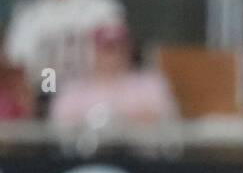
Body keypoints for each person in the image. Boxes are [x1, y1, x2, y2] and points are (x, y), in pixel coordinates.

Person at [49, 23, 178, 127]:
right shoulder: (72, 88)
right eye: (105, 49)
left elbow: (168, 123)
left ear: (128, 50)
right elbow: (59, 128)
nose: (111, 56)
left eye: (117, 48)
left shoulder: (151, 83)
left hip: (138, 157)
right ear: (93, 52)